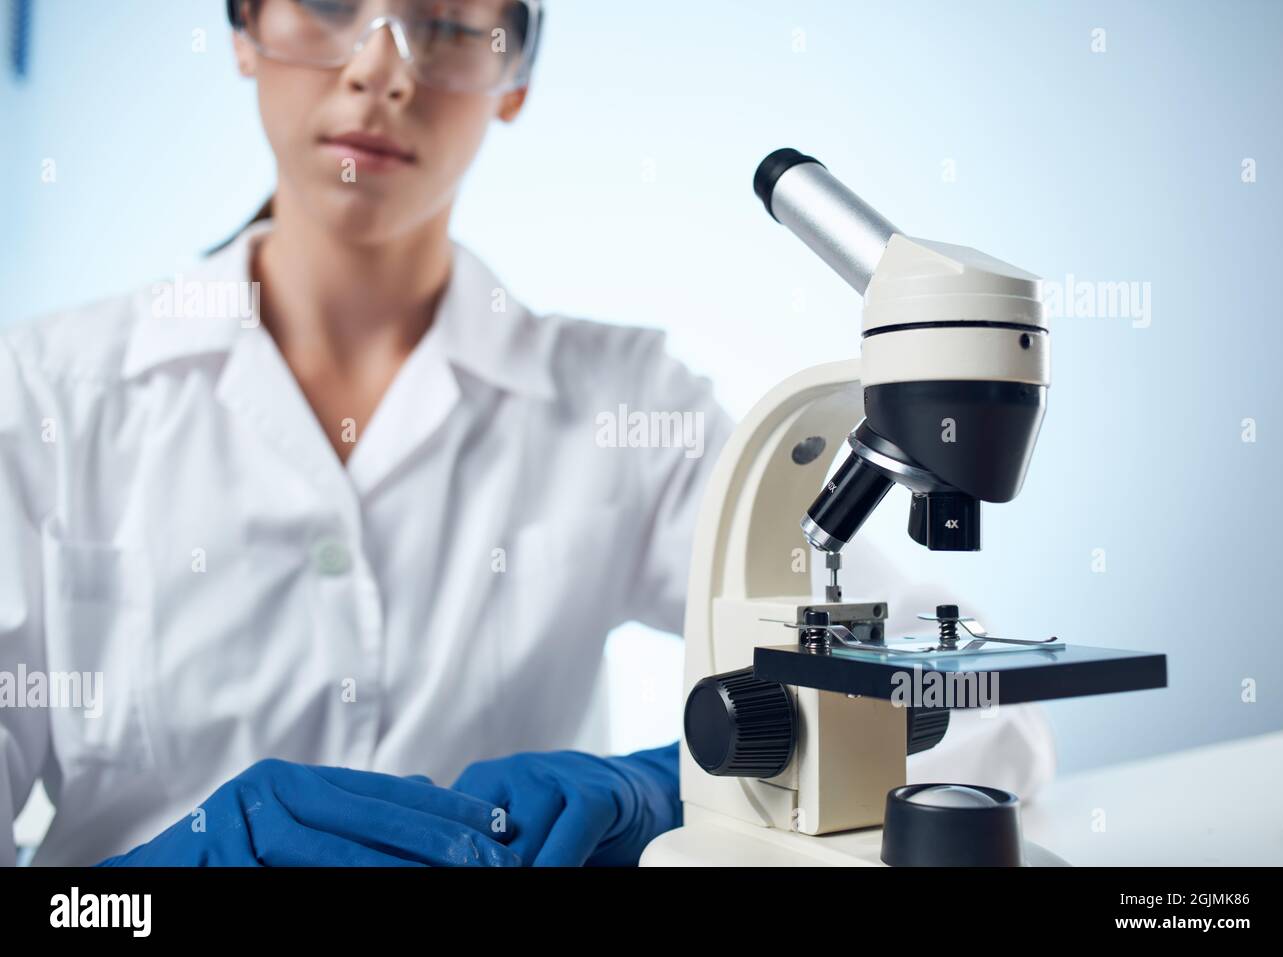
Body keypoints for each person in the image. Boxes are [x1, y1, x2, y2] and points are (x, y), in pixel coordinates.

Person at [0, 0, 1053, 867]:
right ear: (243, 29)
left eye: (447, 22)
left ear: (516, 79)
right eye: (328, 5)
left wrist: (670, 789)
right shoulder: (45, 397)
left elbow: (975, 715)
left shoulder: (624, 404)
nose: (383, 68)